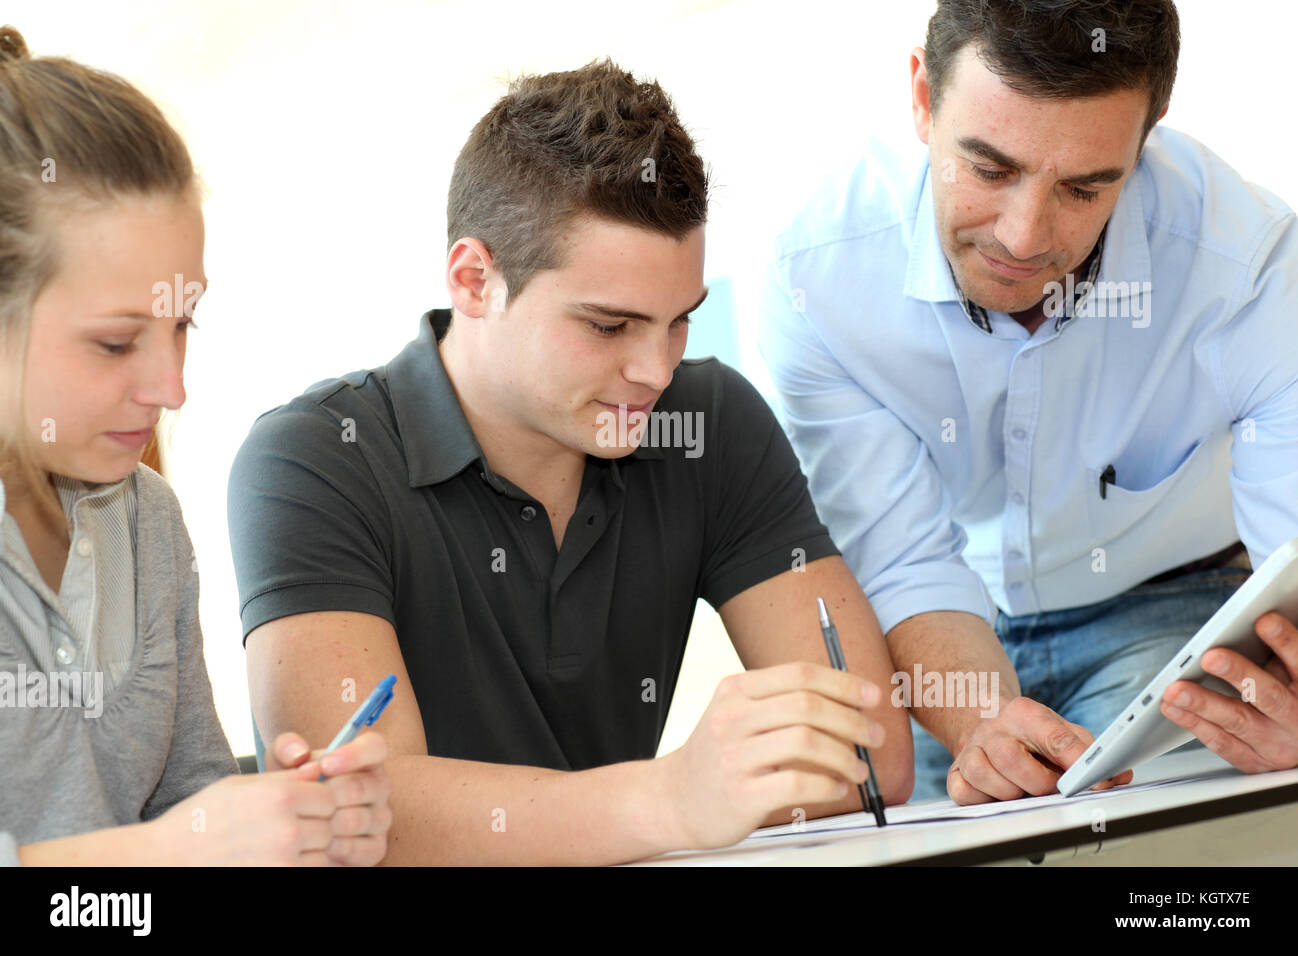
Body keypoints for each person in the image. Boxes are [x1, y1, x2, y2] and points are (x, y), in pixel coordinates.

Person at [228, 59, 914, 866]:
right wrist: (669, 799)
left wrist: (665, 806)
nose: (655, 372)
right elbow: (355, 816)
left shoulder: (708, 423)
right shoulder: (311, 462)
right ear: (475, 279)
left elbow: (869, 756)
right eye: (609, 326)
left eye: (678, 323)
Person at [757, 0, 1298, 804]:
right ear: (921, 97)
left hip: (1172, 610)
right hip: (941, 625)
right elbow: (905, 560)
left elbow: (1293, 556)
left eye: (1085, 188)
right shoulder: (818, 279)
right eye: (989, 169)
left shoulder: (1250, 267)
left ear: (1144, 140)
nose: (1023, 236)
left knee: (1138, 840)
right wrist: (979, 719)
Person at [0, 25, 391, 865]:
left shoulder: (145, 521)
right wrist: (174, 850)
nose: (172, 388)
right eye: (115, 342)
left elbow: (190, 800)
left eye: (182, 324)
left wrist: (287, 823)